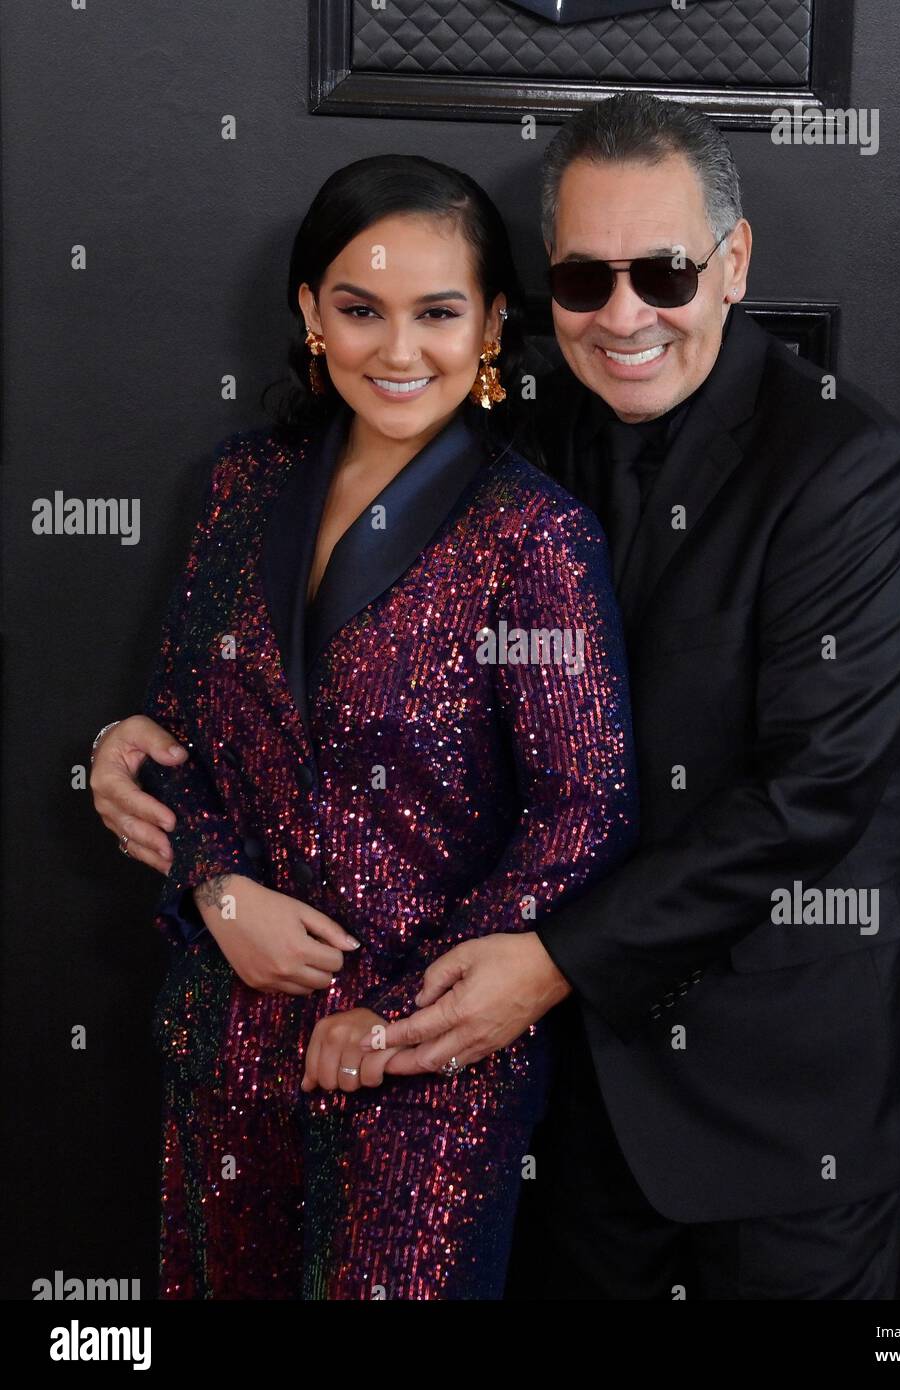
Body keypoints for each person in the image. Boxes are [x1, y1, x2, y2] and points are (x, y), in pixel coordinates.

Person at [95, 93, 900, 1301]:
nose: (624, 317)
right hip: (561, 1086)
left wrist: (552, 956)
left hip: (784, 1083)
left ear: (734, 263)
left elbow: (809, 795)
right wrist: (133, 759)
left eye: (663, 273)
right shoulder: (508, 430)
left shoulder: (847, 469)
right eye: (584, 277)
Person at [90, 152, 638, 1300]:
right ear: (309, 313)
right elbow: (174, 739)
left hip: (424, 1080)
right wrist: (217, 889)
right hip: (230, 1038)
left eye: (437, 312)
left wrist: (392, 1011)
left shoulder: (534, 538)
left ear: (491, 321)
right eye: (359, 310)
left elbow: (582, 811)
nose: (398, 351)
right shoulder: (242, 488)